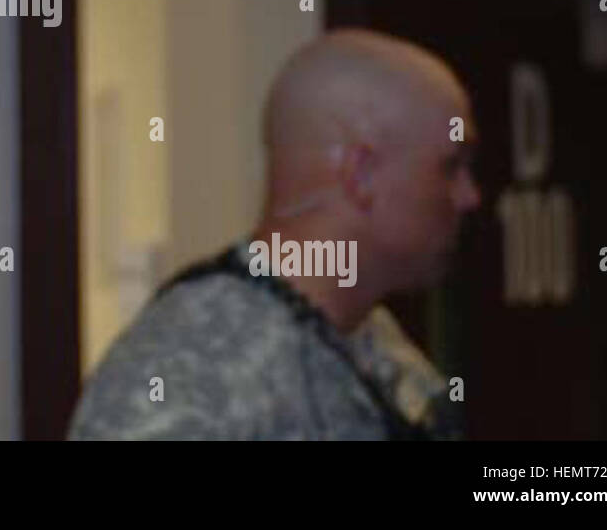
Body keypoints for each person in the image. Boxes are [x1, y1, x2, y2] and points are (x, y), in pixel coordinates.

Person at [68, 28, 481, 439]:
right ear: (362, 174)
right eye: (449, 167)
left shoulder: (377, 348)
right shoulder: (194, 371)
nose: (469, 197)